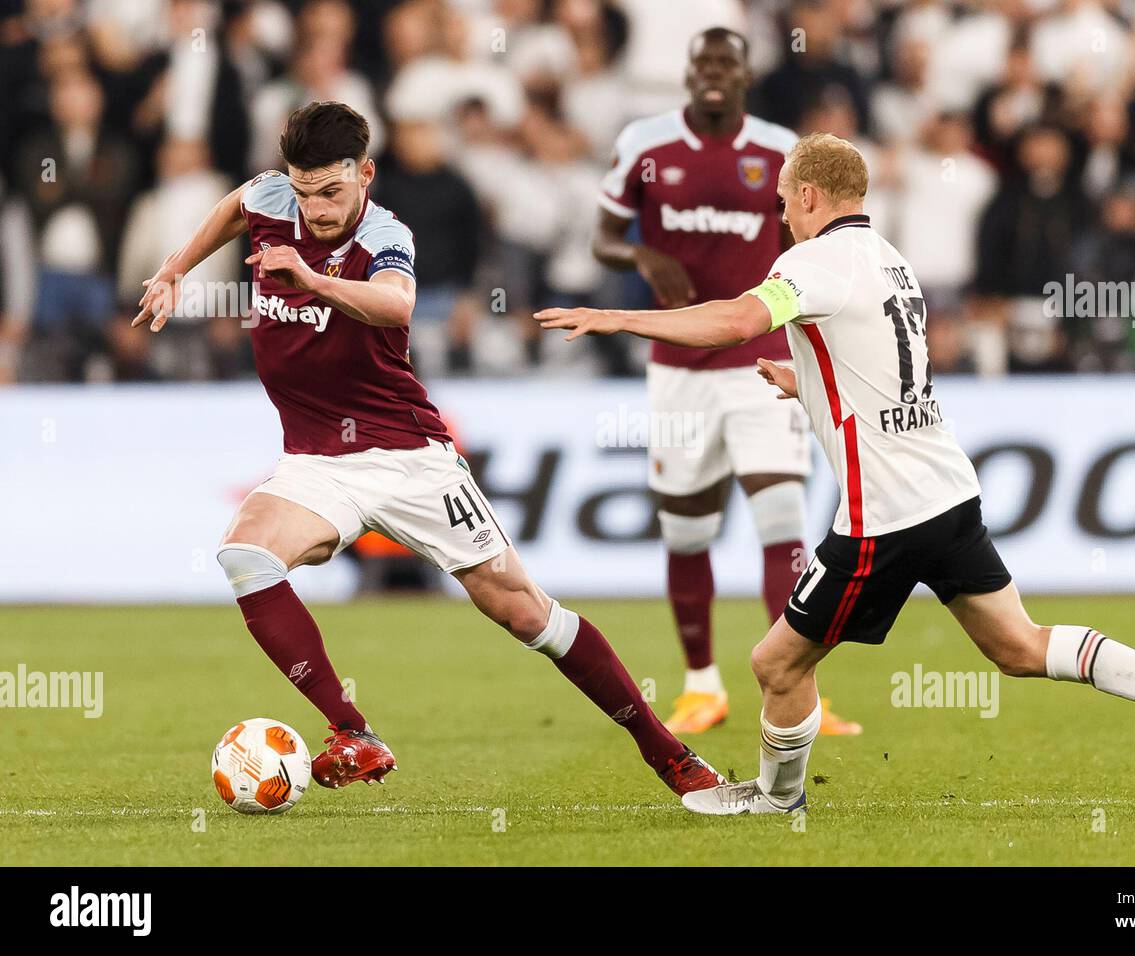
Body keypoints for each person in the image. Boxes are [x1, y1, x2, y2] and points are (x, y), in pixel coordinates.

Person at [537, 132, 1135, 815]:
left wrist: (620, 318)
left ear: (813, 196)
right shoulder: (890, 258)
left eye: (786, 201)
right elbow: (883, 364)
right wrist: (809, 384)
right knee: (1018, 645)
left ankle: (776, 800)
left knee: (776, 665)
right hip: (946, 491)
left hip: (882, 516)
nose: (783, 217)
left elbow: (734, 321)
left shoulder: (811, 263)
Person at [133, 101, 723, 797]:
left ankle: (668, 754)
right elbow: (238, 202)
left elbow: (396, 305)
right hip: (316, 461)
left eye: (331, 192)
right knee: (245, 553)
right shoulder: (272, 199)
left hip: (408, 457)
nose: (316, 209)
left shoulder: (388, 235)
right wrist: (176, 268)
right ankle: (353, 731)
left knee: (525, 613)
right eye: (303, 191)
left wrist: (315, 280)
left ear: (365, 175)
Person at [593, 27, 859, 736]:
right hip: (678, 367)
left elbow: (813, 237)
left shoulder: (779, 151)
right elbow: (603, 237)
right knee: (685, 532)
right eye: (702, 62)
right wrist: (644, 257)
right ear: (688, 73)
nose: (712, 73)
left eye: (726, 63)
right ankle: (702, 686)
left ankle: (799, 689)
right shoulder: (644, 145)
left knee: (782, 518)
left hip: (760, 358)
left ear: (746, 74)